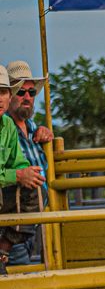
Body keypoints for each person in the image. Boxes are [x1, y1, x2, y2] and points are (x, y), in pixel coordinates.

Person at [3, 61, 50, 270]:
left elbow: (19, 162)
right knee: (21, 288)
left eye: (31, 92)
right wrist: (19, 176)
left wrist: (28, 173)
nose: (28, 97)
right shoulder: (8, 124)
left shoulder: (24, 130)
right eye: (21, 92)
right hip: (10, 215)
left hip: (30, 222)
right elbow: (17, 171)